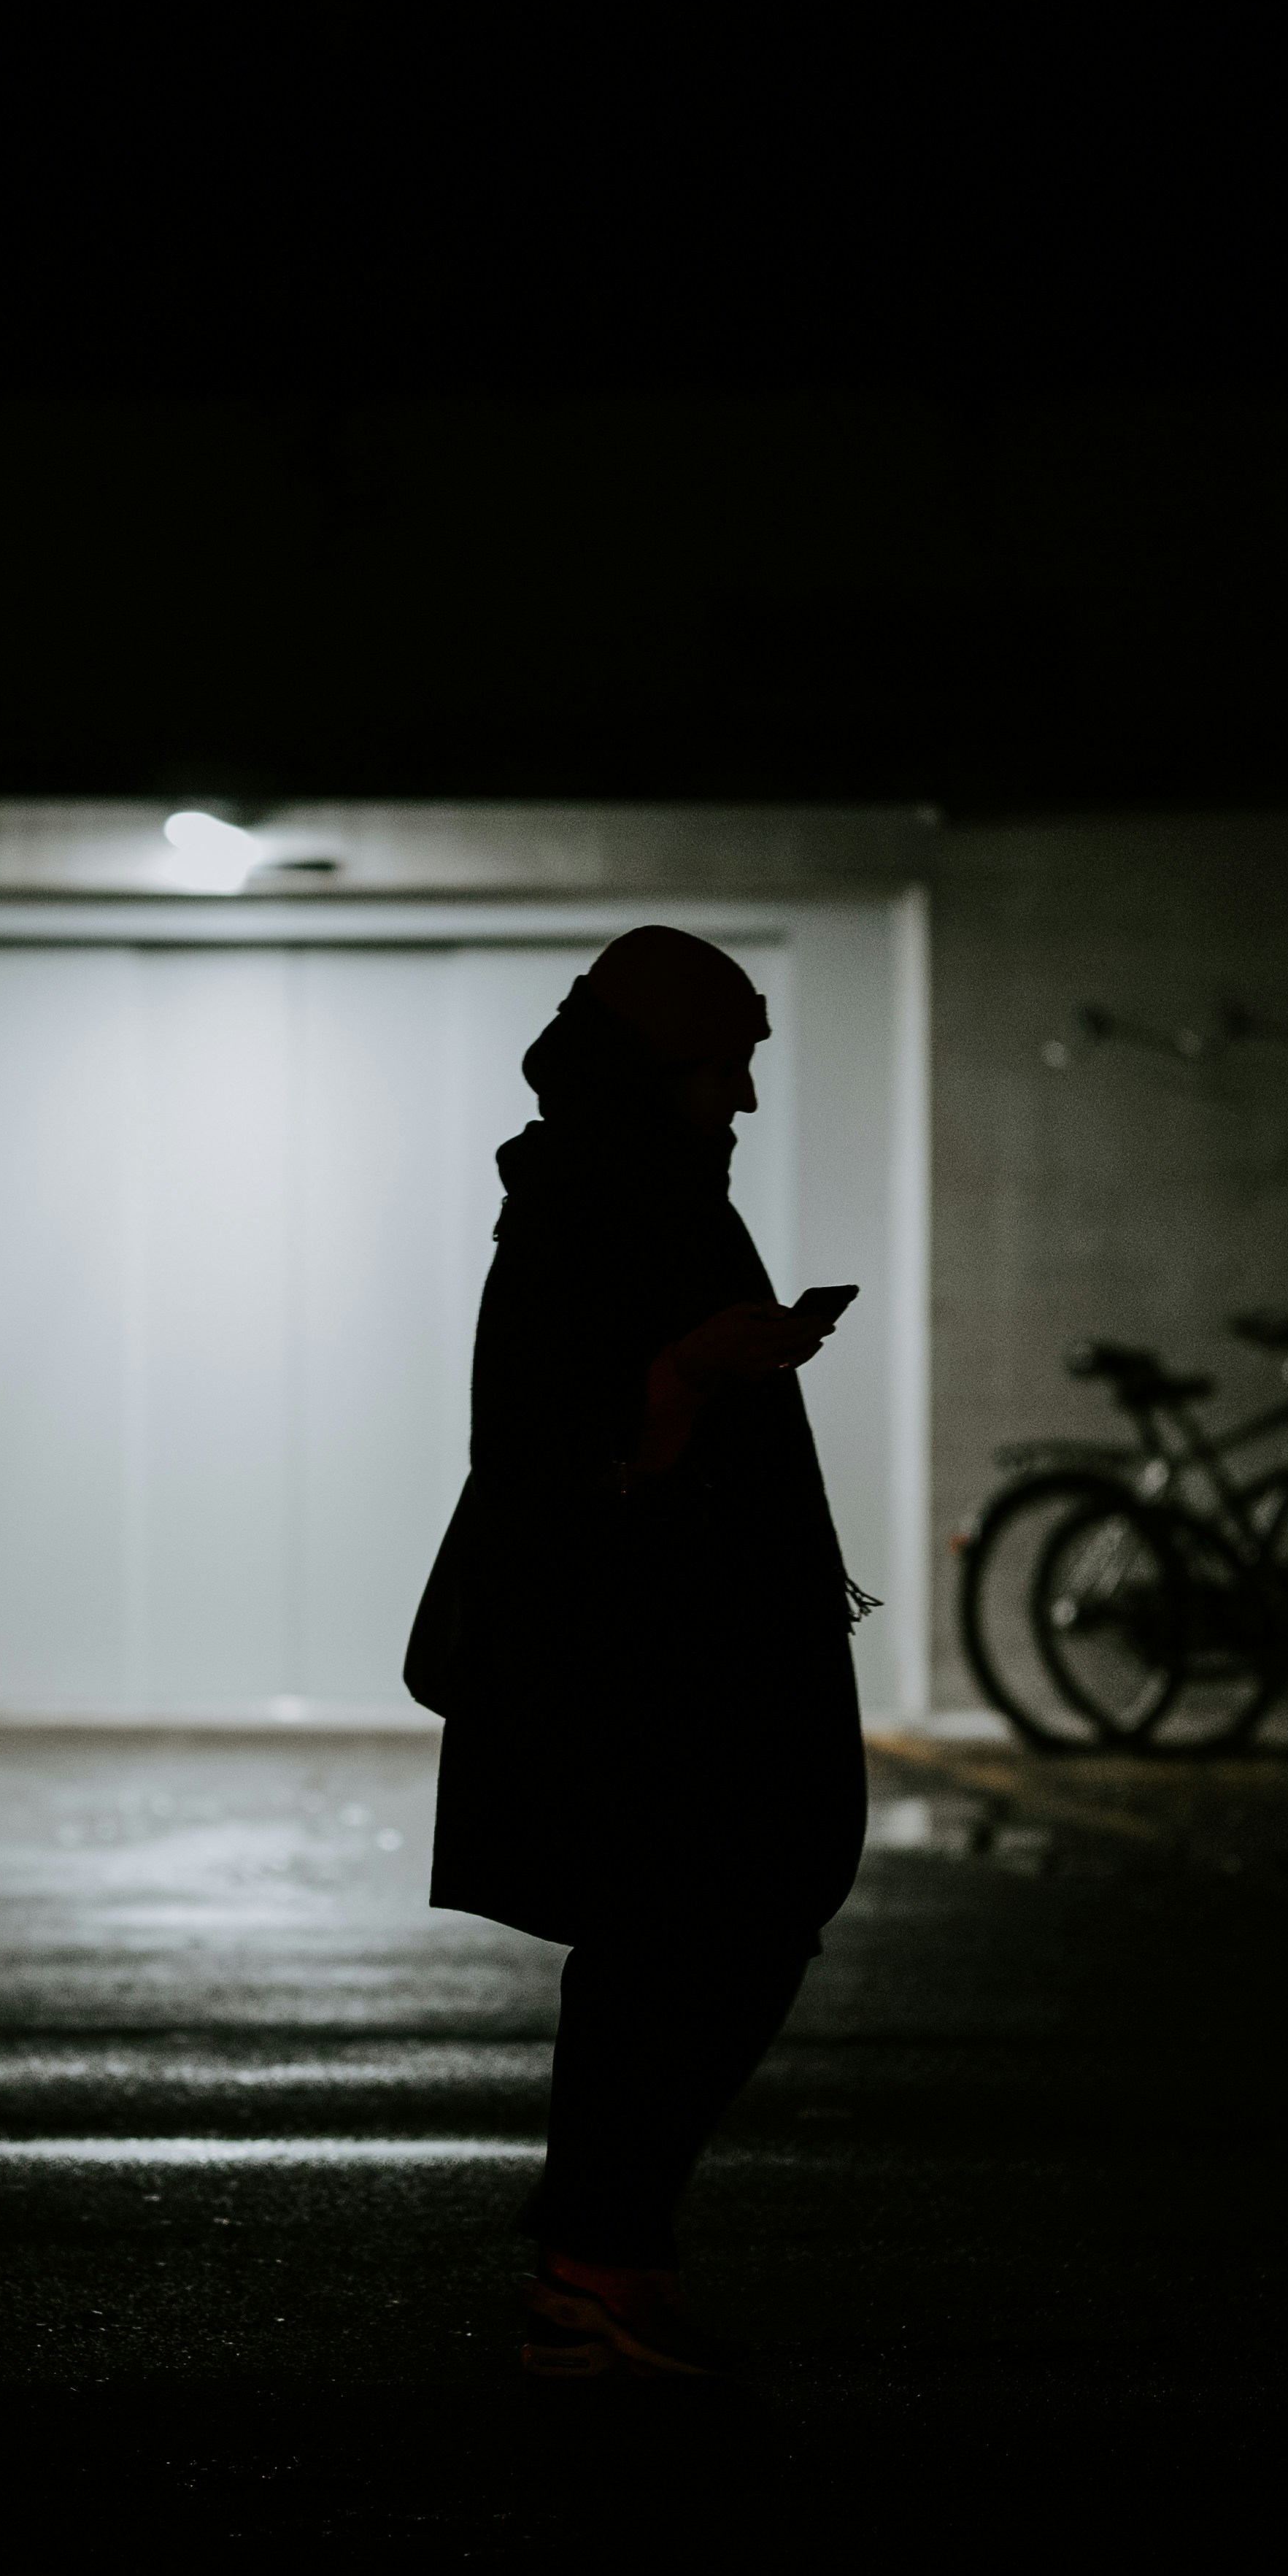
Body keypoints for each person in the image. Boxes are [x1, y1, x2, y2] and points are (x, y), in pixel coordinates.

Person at [407, 925, 869, 2380]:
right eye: (722, 1062)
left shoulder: (634, 1187)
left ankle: (603, 2256)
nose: (741, 1095)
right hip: (648, 1652)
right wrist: (683, 1374)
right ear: (651, 1064)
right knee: (697, 1930)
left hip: (683, 1638)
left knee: (684, 1935)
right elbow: (542, 1436)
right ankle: (599, 2259)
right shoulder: (583, 1204)